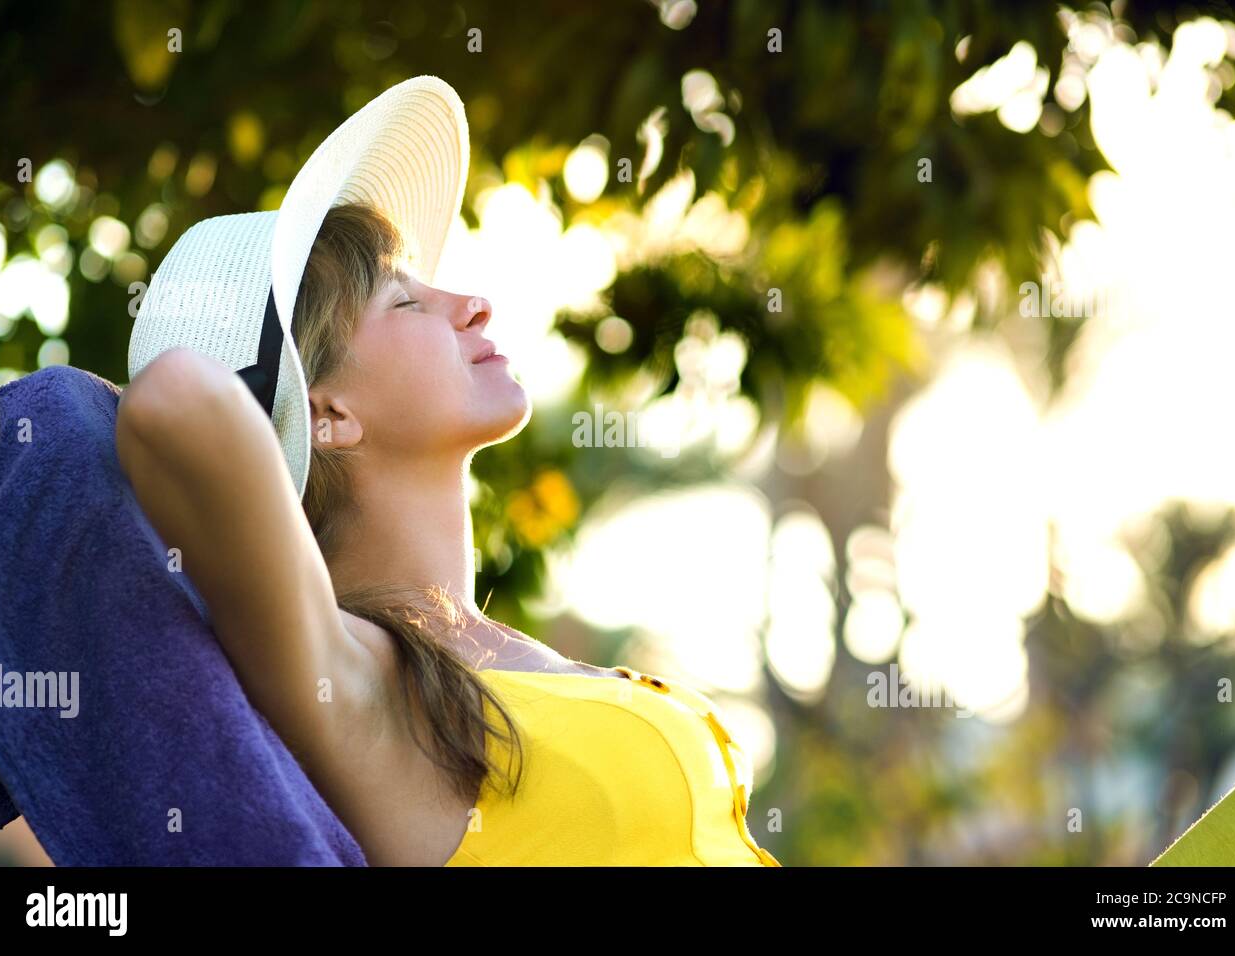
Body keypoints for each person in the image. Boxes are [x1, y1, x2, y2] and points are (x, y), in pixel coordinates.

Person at [120, 76, 780, 866]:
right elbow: (173, 400)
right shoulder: (360, 685)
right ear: (326, 414)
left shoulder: (482, 663)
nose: (472, 303)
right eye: (404, 302)